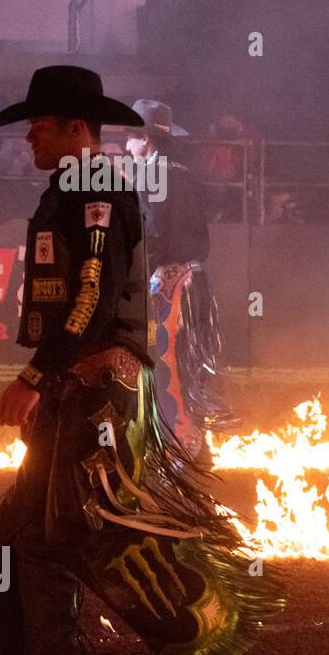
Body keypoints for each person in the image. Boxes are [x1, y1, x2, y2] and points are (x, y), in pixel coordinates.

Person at [0, 67, 284, 655]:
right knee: (33, 525)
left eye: (40, 126)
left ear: (75, 127)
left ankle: (148, 645)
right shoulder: (76, 187)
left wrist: (36, 375)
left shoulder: (97, 189)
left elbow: (92, 292)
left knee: (66, 532)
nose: (29, 138)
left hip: (91, 385)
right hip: (78, 380)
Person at [123, 98, 234, 462]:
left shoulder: (148, 175)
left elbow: (153, 235)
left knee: (163, 360)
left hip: (168, 282)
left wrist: (137, 279)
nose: (127, 146)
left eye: (130, 137)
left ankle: (178, 446)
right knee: (190, 363)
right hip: (196, 280)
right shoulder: (188, 174)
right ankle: (194, 443)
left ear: (146, 139)